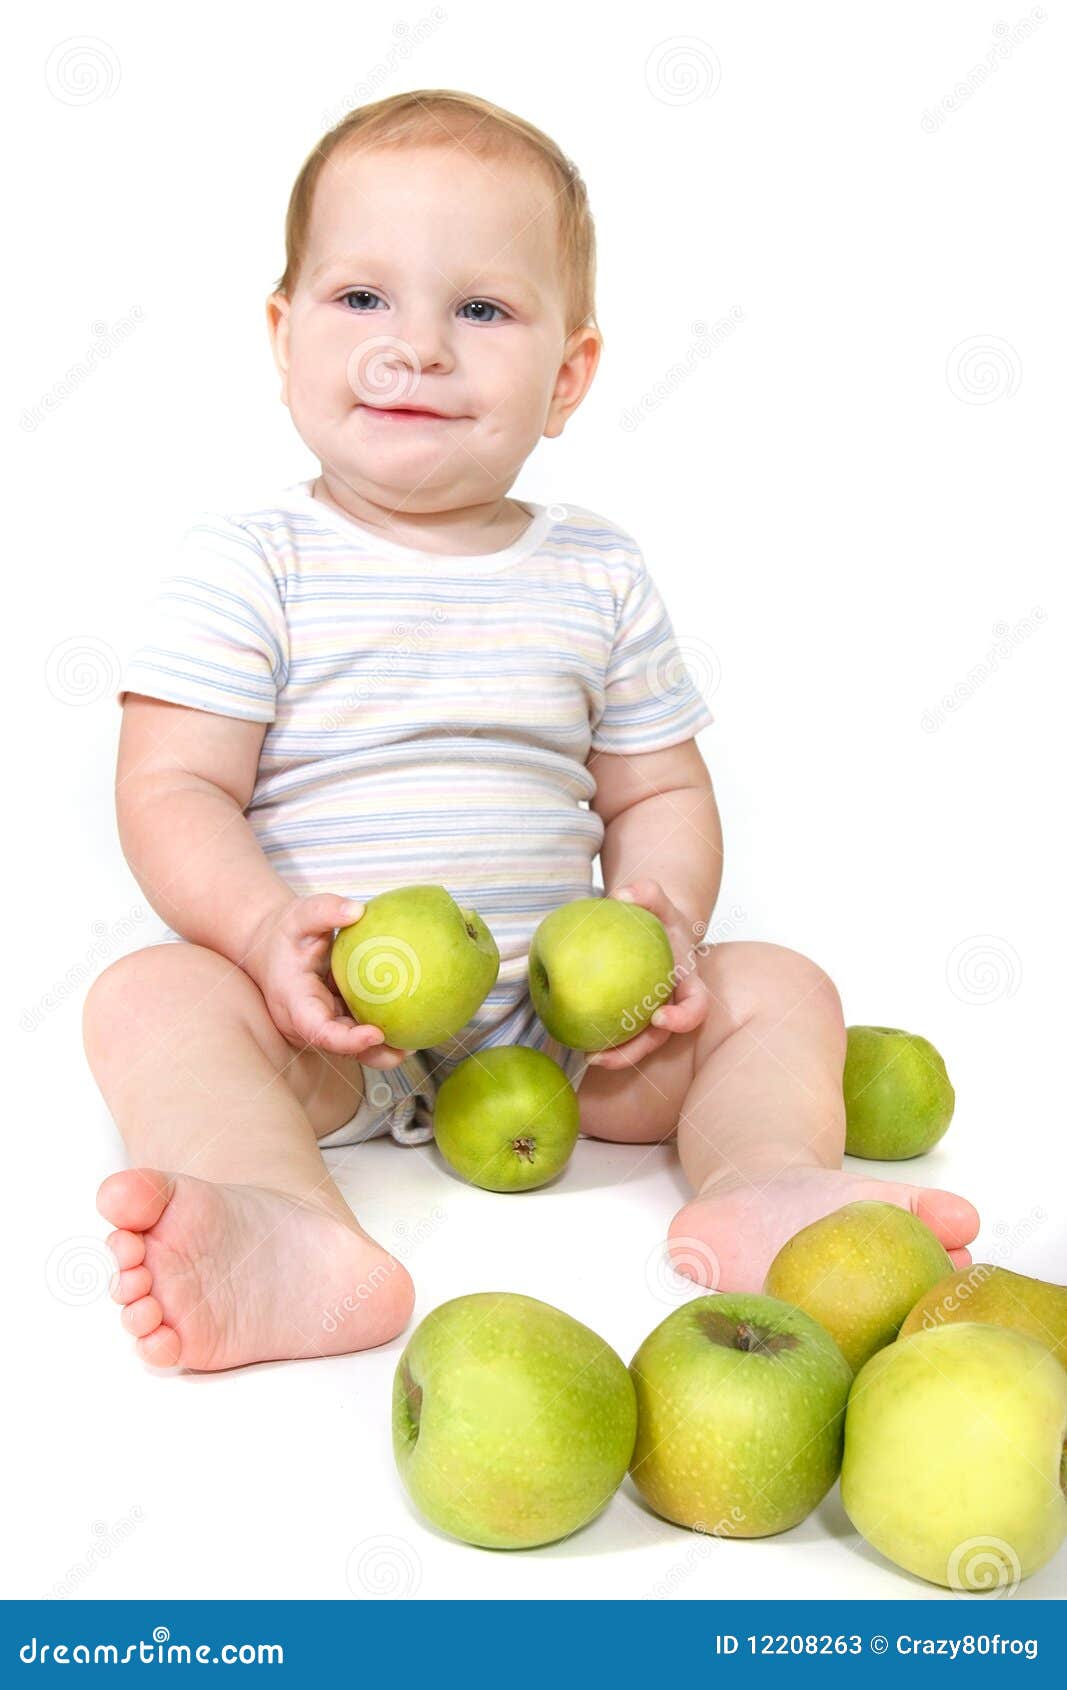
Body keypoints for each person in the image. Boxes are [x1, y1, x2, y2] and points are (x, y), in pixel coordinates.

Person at [83, 89, 978, 1372]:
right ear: (283, 338)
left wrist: (665, 923)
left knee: (780, 988)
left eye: (482, 310)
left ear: (566, 376)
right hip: (320, 1025)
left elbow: (655, 791)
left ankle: (766, 1187)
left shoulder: (596, 572)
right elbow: (172, 786)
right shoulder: (250, 563)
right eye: (361, 297)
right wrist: (262, 931)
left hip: (573, 1042)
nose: (416, 347)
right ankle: (277, 1221)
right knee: (149, 996)